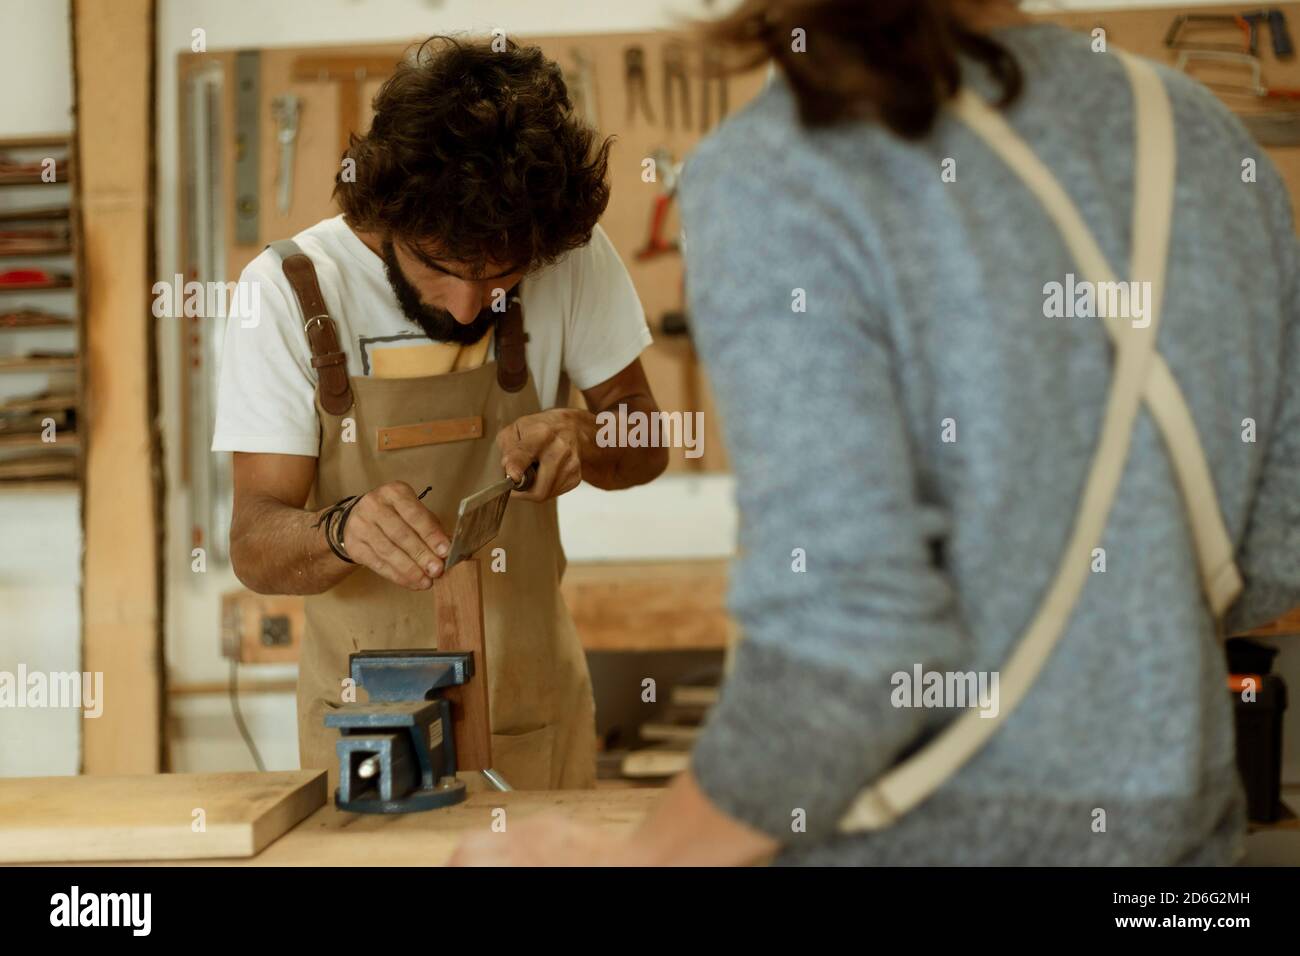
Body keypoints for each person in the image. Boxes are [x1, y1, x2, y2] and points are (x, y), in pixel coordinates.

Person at [450, 0, 1300, 864]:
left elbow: (847, 651)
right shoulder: (1197, 134)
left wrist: (638, 861)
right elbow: (1272, 559)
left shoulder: (784, 168)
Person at [214, 36, 668, 792]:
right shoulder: (286, 291)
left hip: (535, 718)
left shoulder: (573, 257)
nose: (467, 306)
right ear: (384, 215)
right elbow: (254, 541)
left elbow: (648, 439)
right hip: (366, 735)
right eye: (440, 269)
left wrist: (590, 439)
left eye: (501, 277)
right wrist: (340, 529)